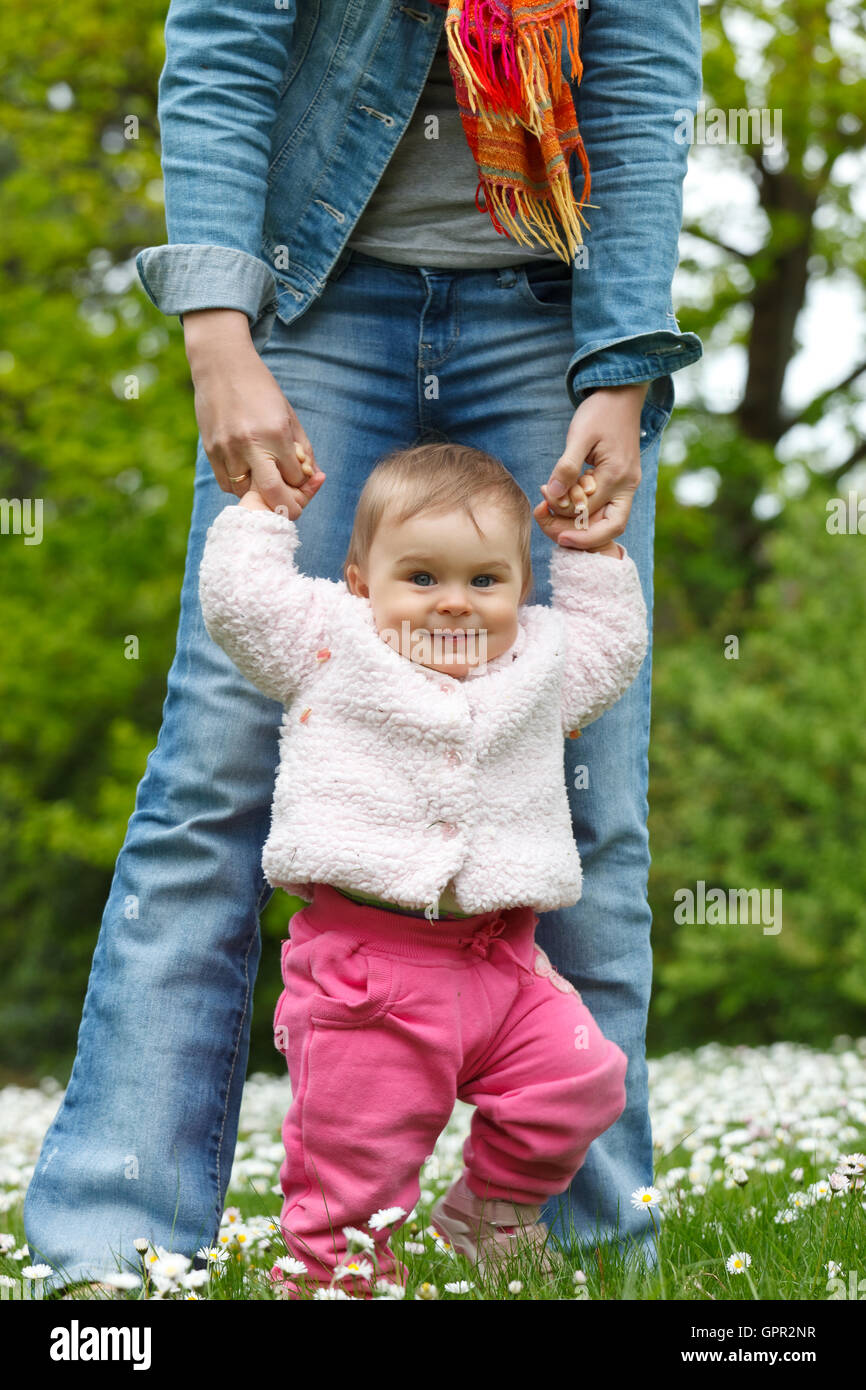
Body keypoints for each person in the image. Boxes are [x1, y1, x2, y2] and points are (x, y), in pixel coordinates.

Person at [24, 0, 703, 1293]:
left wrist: (618, 373)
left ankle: (585, 1253)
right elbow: (225, 34)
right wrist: (215, 323)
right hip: (311, 291)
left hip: (552, 317)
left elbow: (637, 75)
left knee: (587, 798)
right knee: (214, 777)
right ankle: (108, 1263)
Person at [197, 439, 648, 1296]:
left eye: (484, 581)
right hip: (368, 978)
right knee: (352, 1172)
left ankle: (490, 1211)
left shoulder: (541, 665)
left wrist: (588, 552)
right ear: (364, 583)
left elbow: (614, 643)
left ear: (523, 586)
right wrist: (263, 518)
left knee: (584, 1080)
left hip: (504, 965)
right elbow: (240, 603)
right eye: (422, 579)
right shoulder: (329, 641)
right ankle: (338, 1280)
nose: (453, 605)